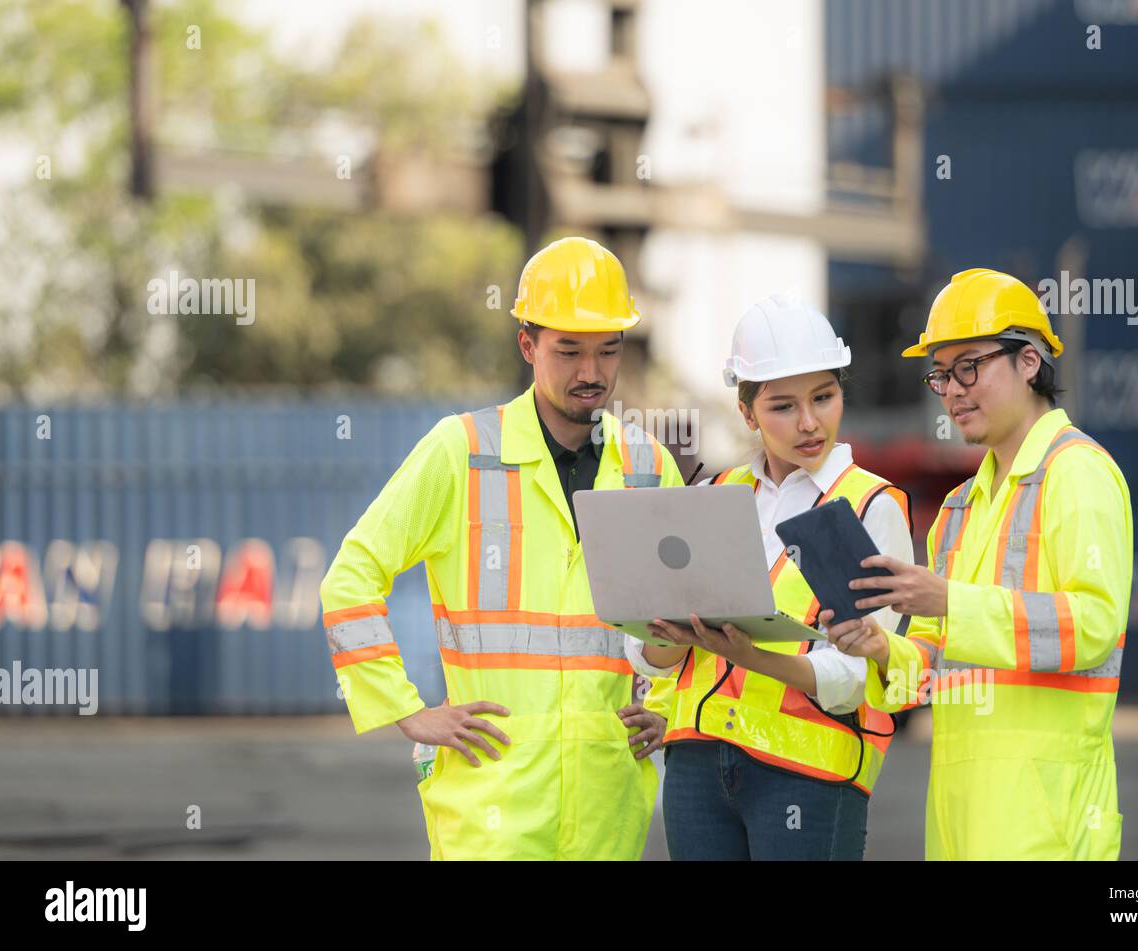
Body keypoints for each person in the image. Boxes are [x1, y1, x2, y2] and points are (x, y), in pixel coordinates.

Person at [318, 236, 684, 860]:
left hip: (607, 799)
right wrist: (407, 712)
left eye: (608, 350)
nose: (591, 373)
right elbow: (350, 578)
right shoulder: (460, 451)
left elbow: (684, 614)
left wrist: (668, 710)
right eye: (568, 351)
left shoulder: (649, 465)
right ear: (527, 345)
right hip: (492, 801)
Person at [823, 268, 1133, 860]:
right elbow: (938, 665)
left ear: (1030, 361)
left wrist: (949, 600)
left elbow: (1093, 627)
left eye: (971, 365)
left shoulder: (1078, 473)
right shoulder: (961, 507)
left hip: (1048, 817)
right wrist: (881, 650)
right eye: (941, 372)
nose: (953, 389)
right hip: (960, 814)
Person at [627, 295, 914, 860]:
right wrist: (666, 632)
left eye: (824, 397)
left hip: (808, 775)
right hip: (697, 766)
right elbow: (648, 656)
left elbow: (861, 675)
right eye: (783, 406)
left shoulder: (869, 506)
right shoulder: (715, 496)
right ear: (747, 413)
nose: (810, 423)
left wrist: (753, 657)